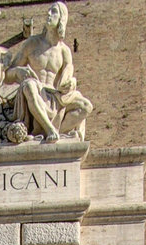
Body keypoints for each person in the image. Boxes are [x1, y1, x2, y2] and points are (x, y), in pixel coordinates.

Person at [5, 1, 92, 142]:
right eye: (49, 11)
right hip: (36, 92)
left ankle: (57, 131)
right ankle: (49, 129)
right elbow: (7, 77)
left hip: (55, 96)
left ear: (62, 19)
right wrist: (18, 72)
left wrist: (71, 83)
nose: (48, 14)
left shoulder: (65, 52)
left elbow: (68, 76)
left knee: (86, 106)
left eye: (54, 12)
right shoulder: (32, 44)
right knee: (29, 85)